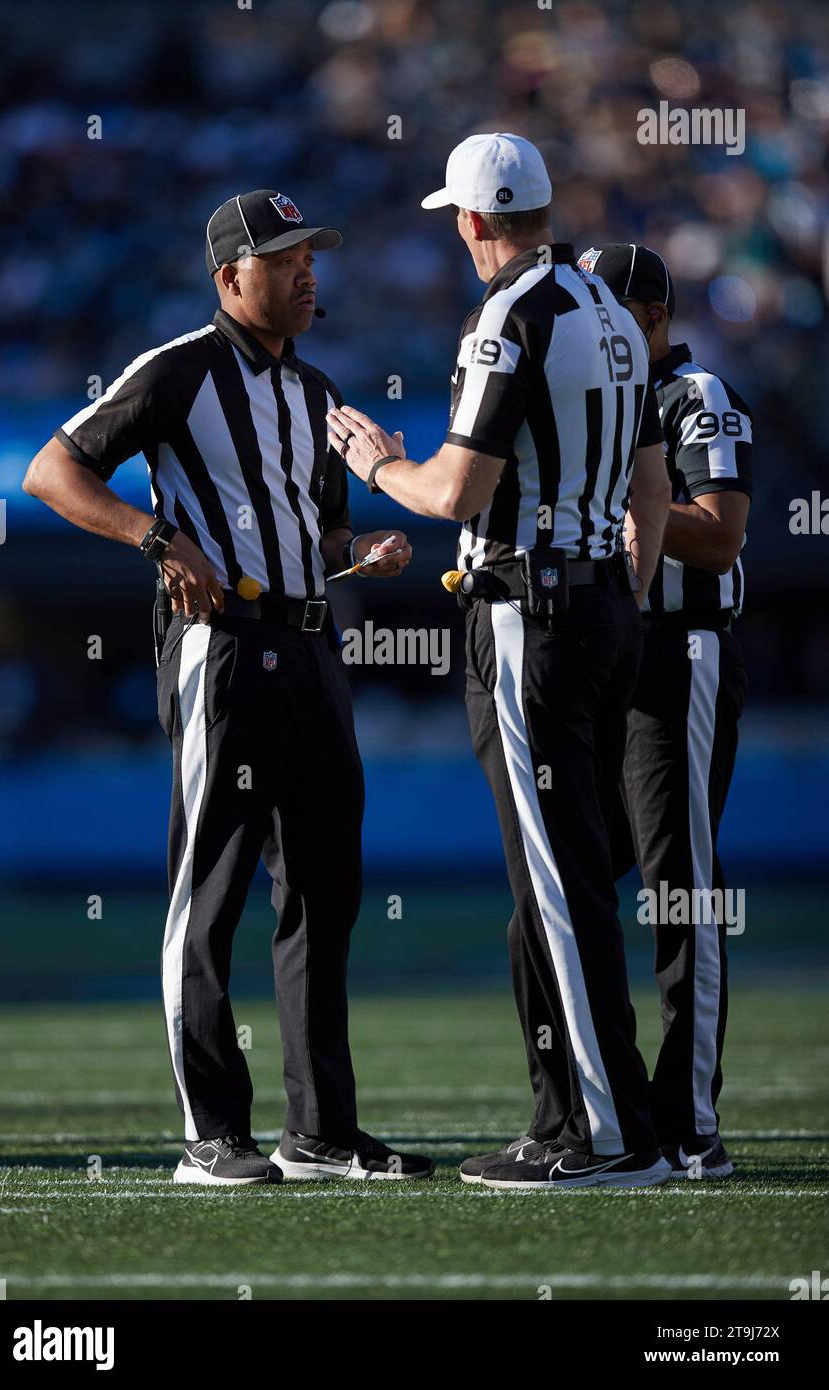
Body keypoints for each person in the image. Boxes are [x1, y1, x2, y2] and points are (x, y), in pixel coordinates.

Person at [23, 188, 432, 1186]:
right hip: (223, 650)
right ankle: (212, 1133)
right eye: (284, 255)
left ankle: (320, 1131)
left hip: (311, 647)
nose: (306, 271)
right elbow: (49, 470)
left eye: (310, 255)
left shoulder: (314, 392)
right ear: (228, 276)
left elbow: (318, 533)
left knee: (324, 892)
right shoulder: (175, 373)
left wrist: (361, 550)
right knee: (210, 890)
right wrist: (156, 538)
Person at [327, 134, 673, 1189]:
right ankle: (565, 1117)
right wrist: (630, 591)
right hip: (599, 605)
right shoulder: (608, 303)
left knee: (559, 885)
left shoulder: (509, 315)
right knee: (552, 882)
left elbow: (454, 495)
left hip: (532, 617)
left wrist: (374, 461)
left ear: (473, 221)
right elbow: (650, 481)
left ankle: (609, 1137)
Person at [578, 243, 752, 1179]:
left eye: (611, 310)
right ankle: (597, 1107)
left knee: (681, 884)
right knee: (570, 880)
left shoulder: (697, 396)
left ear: (650, 316)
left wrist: (629, 501)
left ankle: (690, 1121)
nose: (596, 327)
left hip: (683, 656)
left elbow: (721, 535)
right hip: (608, 657)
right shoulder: (602, 401)